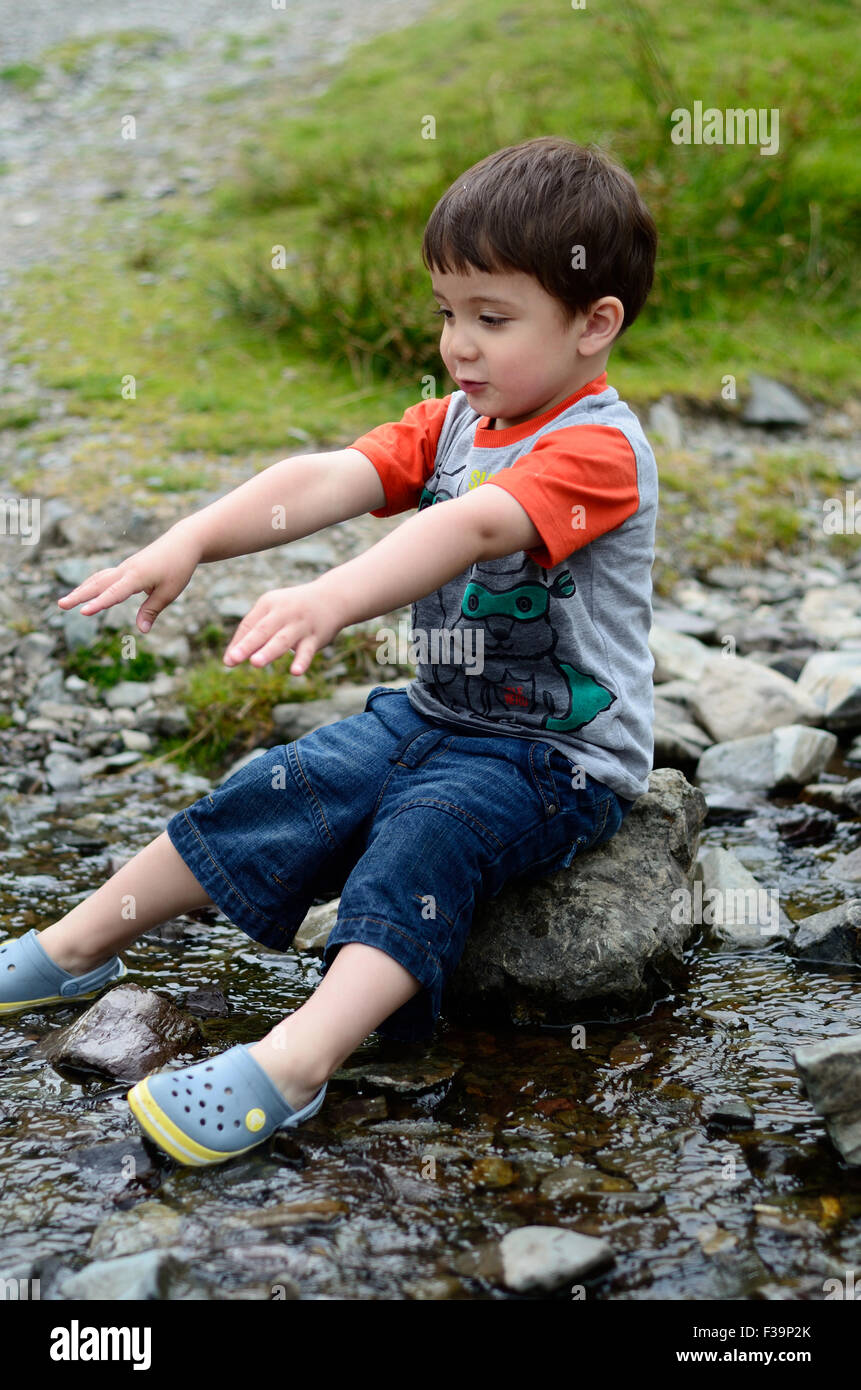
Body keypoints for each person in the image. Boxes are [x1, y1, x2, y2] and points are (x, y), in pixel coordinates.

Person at [0, 136, 659, 1167]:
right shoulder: (454, 424)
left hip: (555, 760)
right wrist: (195, 537)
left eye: (493, 318)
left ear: (594, 323)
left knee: (425, 835)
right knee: (285, 782)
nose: (460, 345)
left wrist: (332, 596)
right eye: (449, 313)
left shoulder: (599, 449)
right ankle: (76, 945)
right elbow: (327, 477)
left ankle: (297, 1059)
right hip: (437, 714)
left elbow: (477, 529)